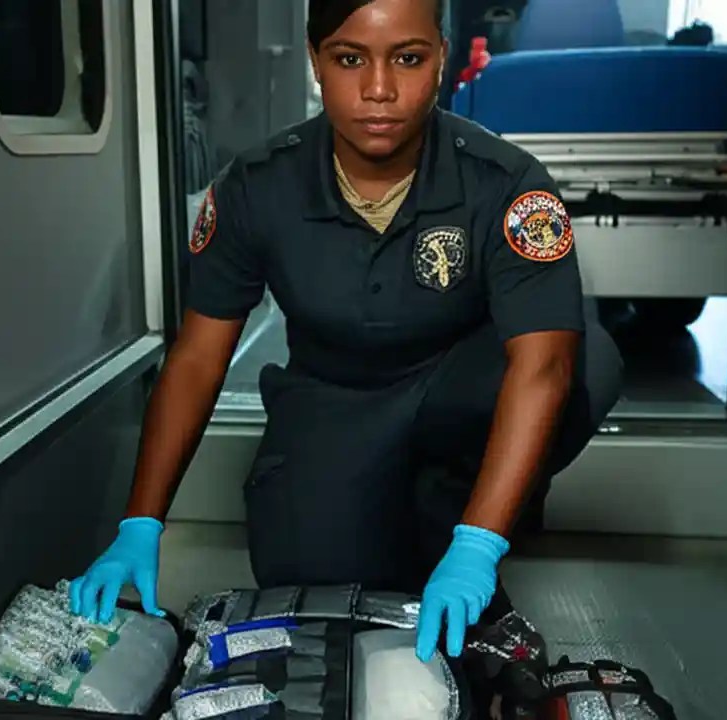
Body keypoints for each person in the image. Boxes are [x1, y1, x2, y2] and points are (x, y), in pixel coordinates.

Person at [70, 0, 622, 664]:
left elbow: (545, 367)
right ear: (316, 61)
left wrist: (478, 542)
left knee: (587, 367)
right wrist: (141, 521)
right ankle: (393, 514)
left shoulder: (504, 184)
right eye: (350, 58)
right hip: (333, 406)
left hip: (454, 389)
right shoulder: (256, 188)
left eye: (408, 59)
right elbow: (196, 359)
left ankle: (463, 513)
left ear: (442, 58)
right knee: (307, 584)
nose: (380, 89)